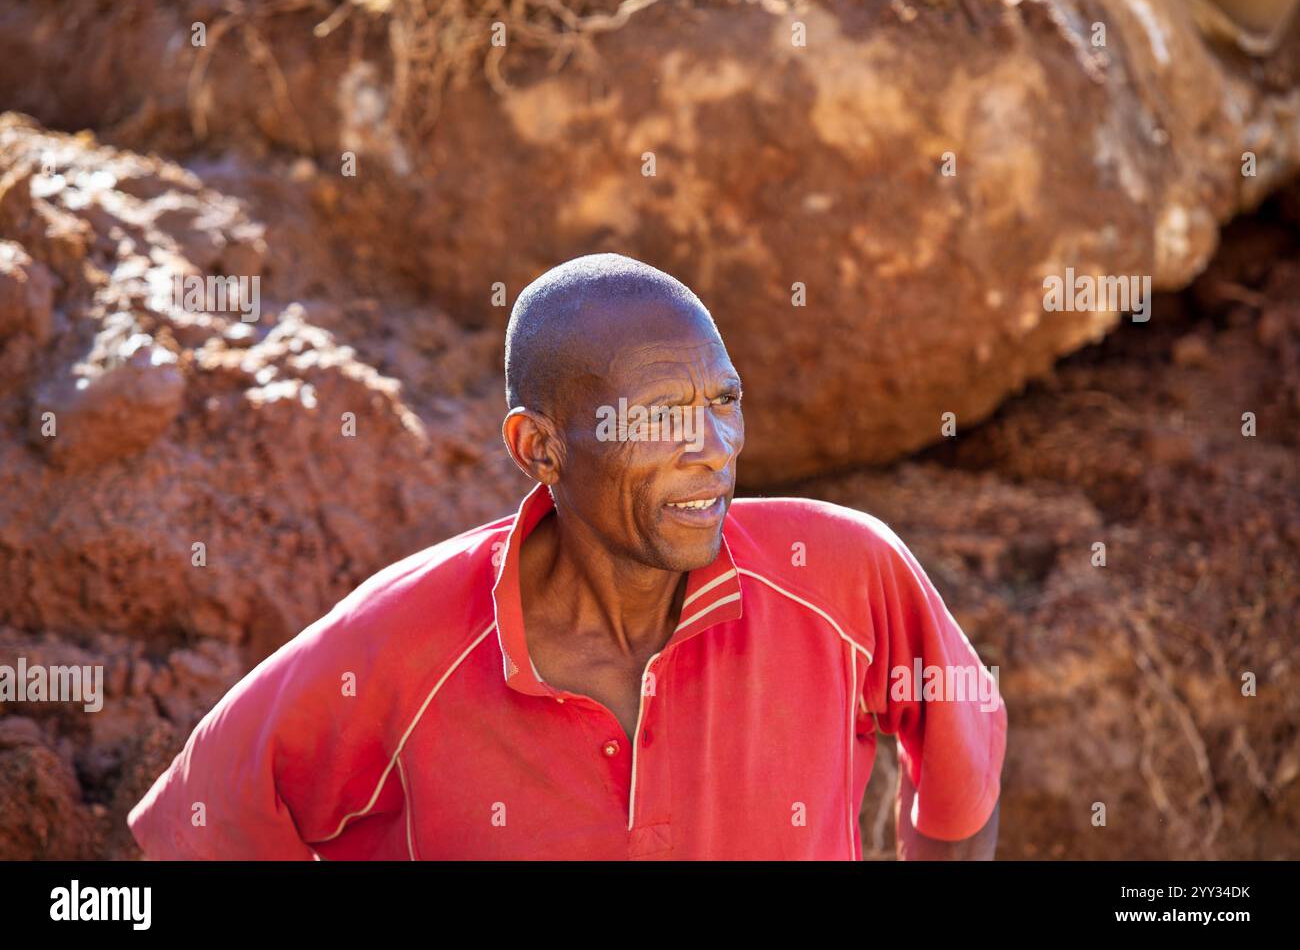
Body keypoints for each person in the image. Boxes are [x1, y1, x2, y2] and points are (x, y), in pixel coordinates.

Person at [128, 253, 1006, 860]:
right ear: (538, 448)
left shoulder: (841, 573)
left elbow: (963, 755)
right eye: (661, 413)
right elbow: (196, 824)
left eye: (725, 399)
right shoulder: (403, 644)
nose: (714, 446)